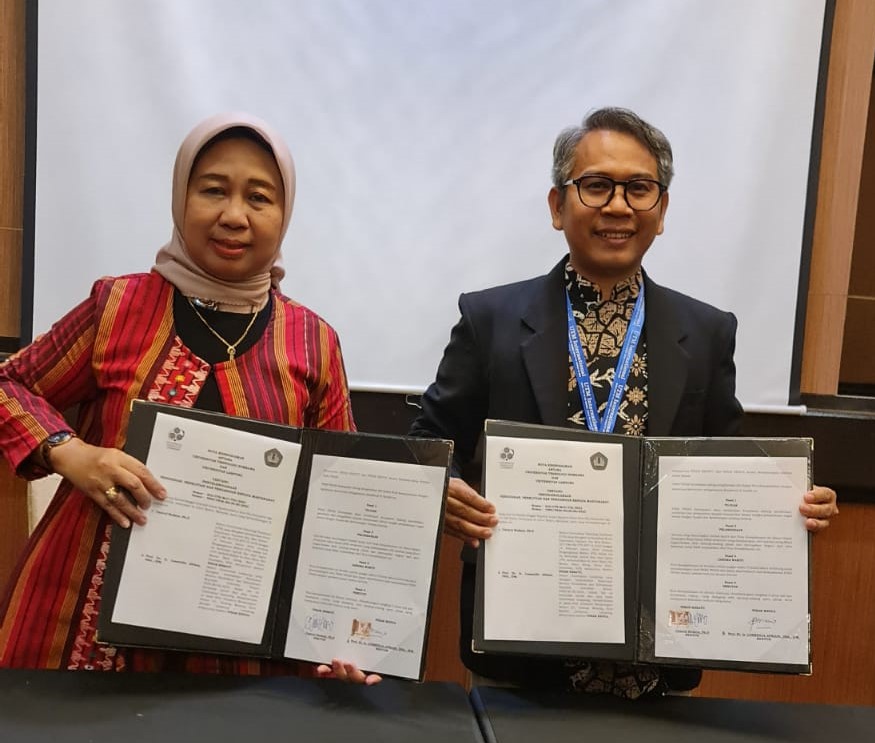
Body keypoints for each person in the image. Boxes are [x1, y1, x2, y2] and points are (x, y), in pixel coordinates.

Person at [409, 107, 838, 697]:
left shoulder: (707, 332)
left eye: (639, 188)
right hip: (519, 645)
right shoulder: (491, 320)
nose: (617, 206)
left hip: (662, 649)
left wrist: (789, 505)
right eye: (596, 186)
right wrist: (445, 489)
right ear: (558, 205)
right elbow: (428, 440)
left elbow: (730, 469)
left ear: (661, 210)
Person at [0, 112, 378, 683]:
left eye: (259, 197)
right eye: (213, 190)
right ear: (181, 197)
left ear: (285, 214)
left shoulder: (312, 341)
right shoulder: (118, 306)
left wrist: (339, 639)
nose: (234, 215)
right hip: (84, 620)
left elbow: (337, 497)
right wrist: (70, 453)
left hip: (243, 647)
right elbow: (9, 384)